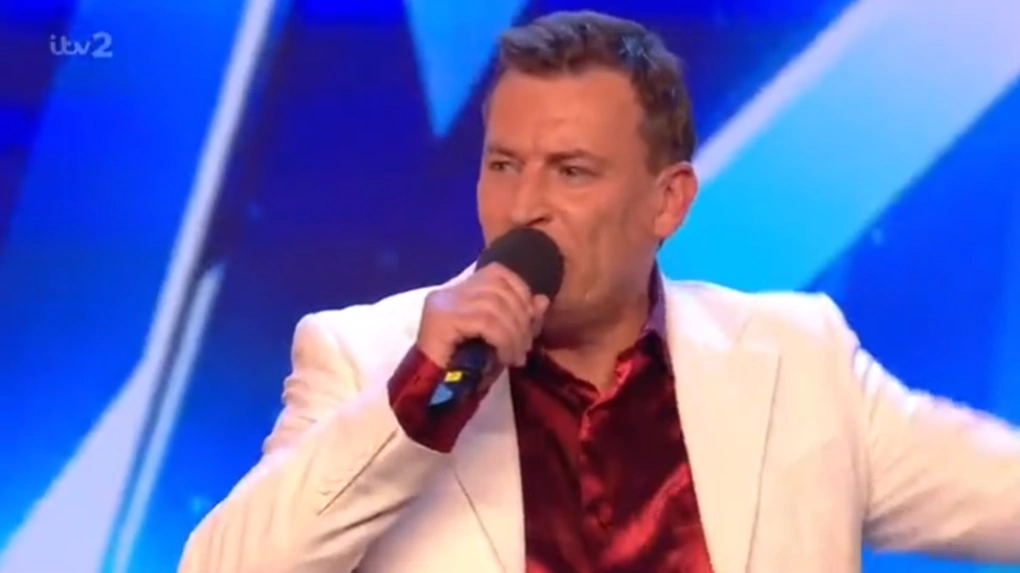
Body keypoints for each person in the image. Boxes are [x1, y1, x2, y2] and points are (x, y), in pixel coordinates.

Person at [178, 10, 1020, 573]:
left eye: (572, 171)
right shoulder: (367, 357)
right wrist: (419, 400)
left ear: (668, 202)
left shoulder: (798, 359)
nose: (525, 206)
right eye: (503, 164)